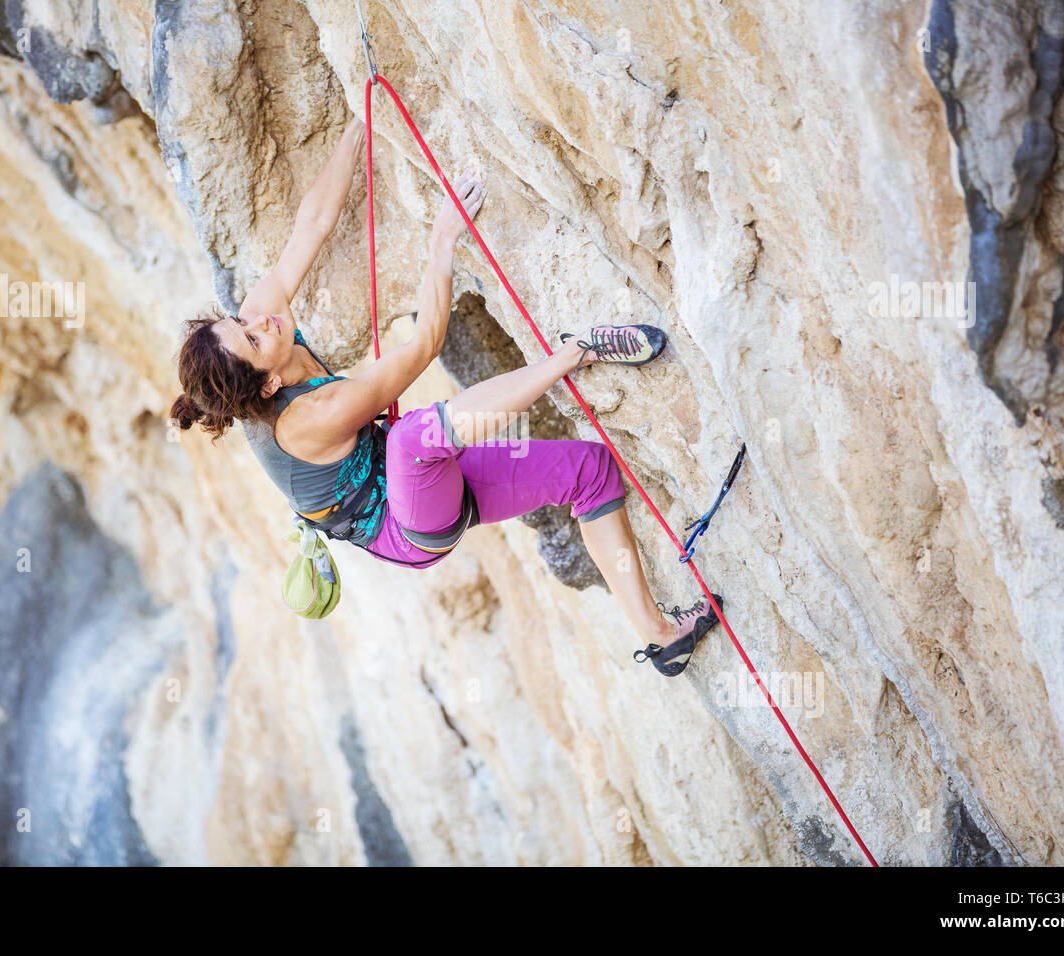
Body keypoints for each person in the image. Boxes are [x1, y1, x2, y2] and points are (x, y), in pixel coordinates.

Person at [171, 116, 723, 676]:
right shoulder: (309, 418)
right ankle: (578, 352)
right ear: (267, 384)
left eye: (241, 320)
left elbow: (311, 224)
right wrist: (443, 240)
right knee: (415, 437)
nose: (261, 319)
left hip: (428, 482)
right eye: (251, 336)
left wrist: (360, 125)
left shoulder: (267, 331)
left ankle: (661, 636)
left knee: (591, 469)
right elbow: (427, 343)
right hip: (411, 529)